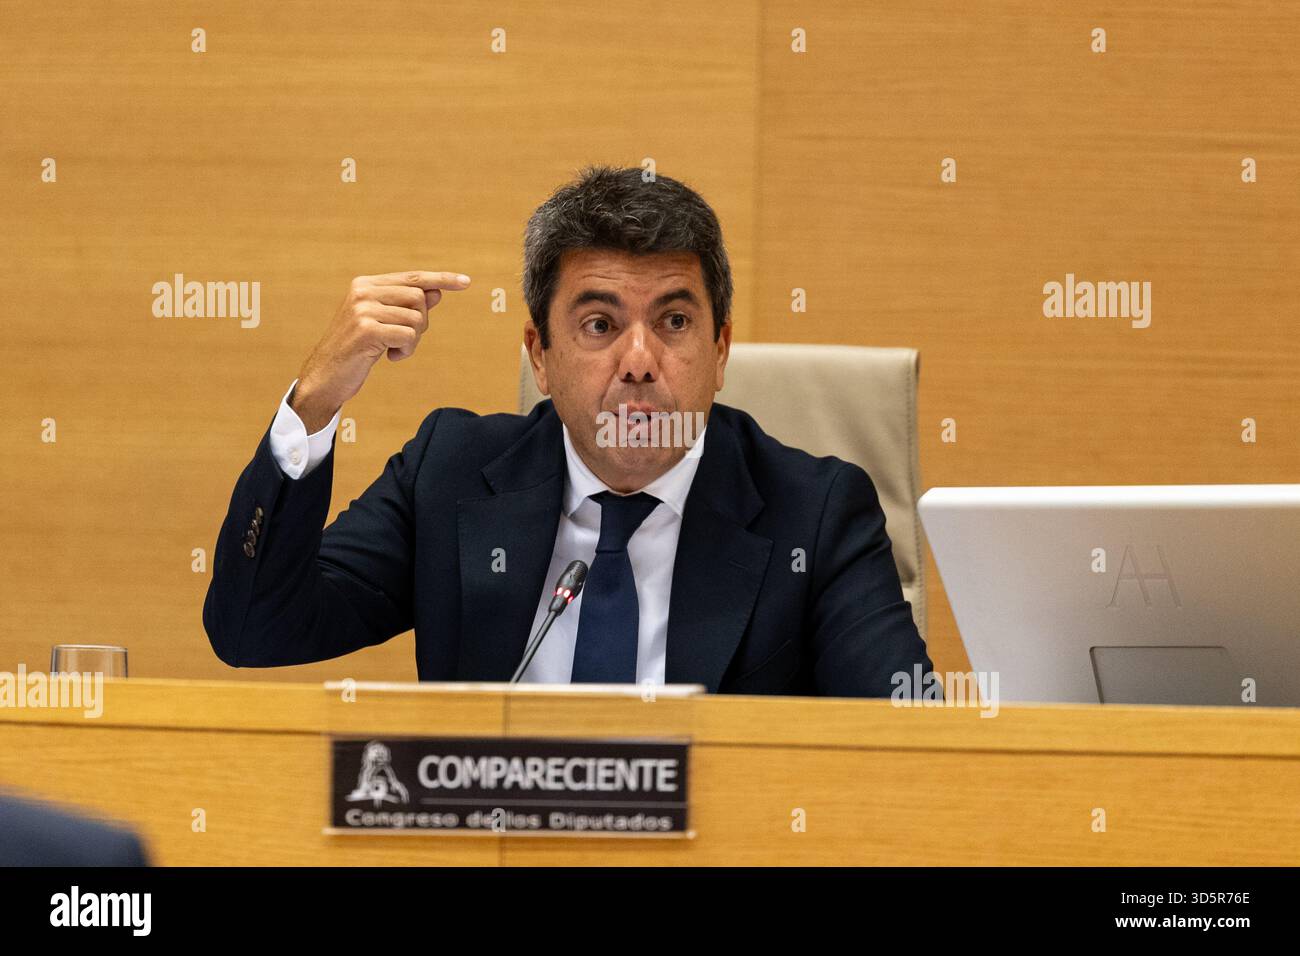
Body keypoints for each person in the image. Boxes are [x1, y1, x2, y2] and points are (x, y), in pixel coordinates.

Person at [203, 165, 935, 696]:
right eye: (599, 324)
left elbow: (909, 738)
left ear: (720, 351)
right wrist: (316, 403)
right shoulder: (451, 475)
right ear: (540, 357)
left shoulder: (816, 511)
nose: (640, 361)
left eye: (675, 322)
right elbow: (253, 631)